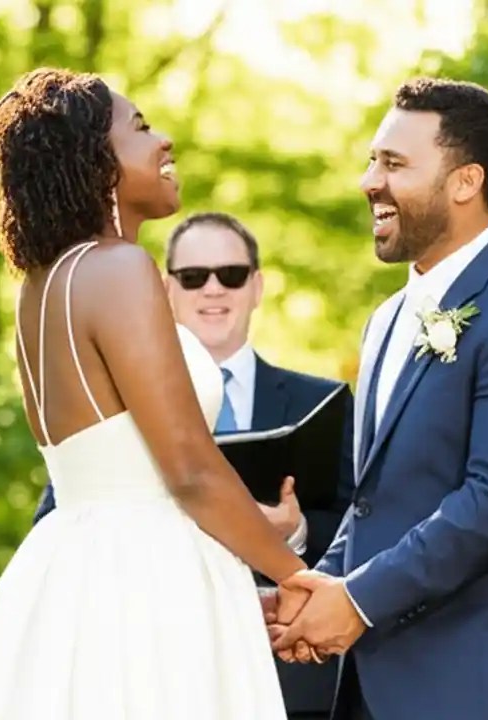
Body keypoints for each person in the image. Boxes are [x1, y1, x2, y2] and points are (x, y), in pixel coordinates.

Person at [0, 67, 308, 720]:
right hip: (144, 576)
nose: (163, 141)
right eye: (140, 127)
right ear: (96, 159)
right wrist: (298, 578)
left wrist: (241, 572)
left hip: (92, 573)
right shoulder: (120, 269)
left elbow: (121, 464)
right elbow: (187, 469)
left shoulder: (42, 285)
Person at [270, 78, 488, 720]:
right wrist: (312, 591)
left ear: (465, 182)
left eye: (394, 164)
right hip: (369, 690)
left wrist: (356, 601)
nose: (369, 182)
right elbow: (376, 504)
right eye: (372, 161)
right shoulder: (386, 320)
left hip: (478, 688)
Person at [162, 212, 355, 719]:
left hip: (289, 677)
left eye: (231, 275)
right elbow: (69, 518)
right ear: (166, 290)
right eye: (193, 277)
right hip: (163, 671)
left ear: (257, 286)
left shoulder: (324, 403)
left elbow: (367, 526)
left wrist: (296, 533)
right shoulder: (121, 412)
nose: (213, 289)